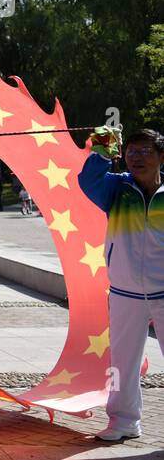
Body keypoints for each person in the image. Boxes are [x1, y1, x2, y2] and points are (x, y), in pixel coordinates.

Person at [78, 126, 164, 442]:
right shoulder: (117, 189)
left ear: (161, 157)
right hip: (125, 292)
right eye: (131, 152)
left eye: (145, 152)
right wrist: (102, 147)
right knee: (122, 363)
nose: (136, 158)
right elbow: (87, 181)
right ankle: (124, 421)